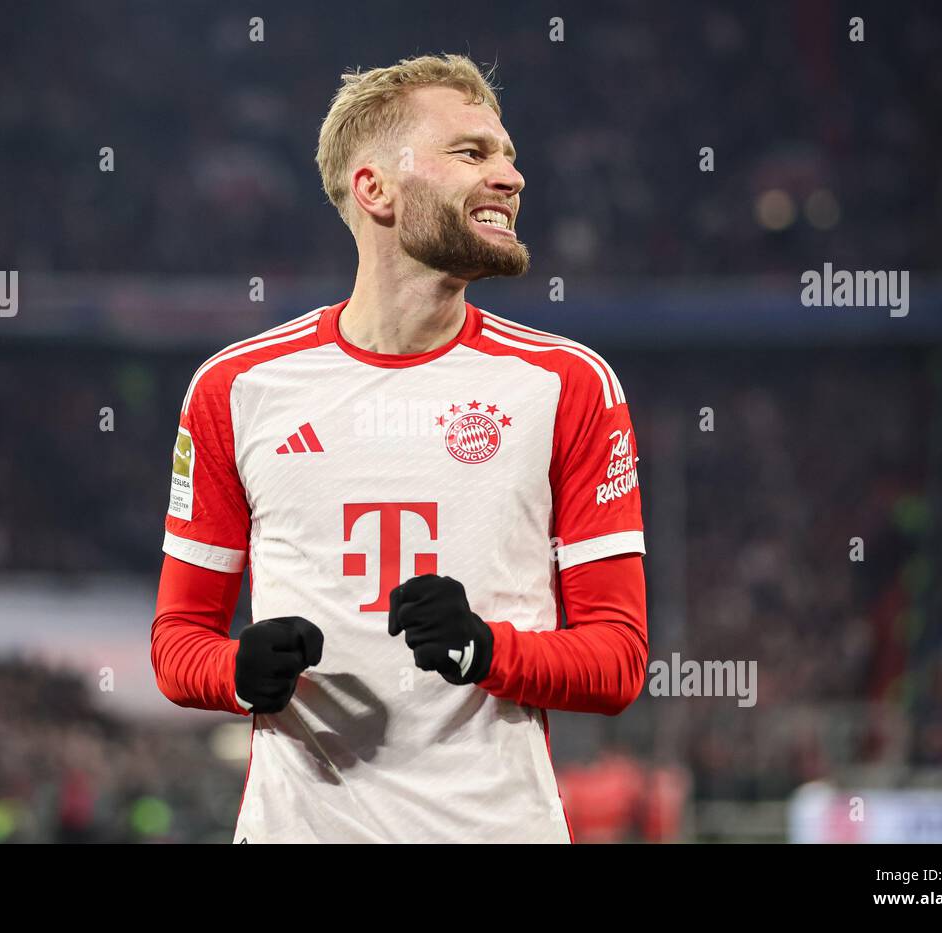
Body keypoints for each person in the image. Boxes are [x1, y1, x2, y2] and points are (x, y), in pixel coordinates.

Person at [151, 53, 648, 843]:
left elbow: (618, 658)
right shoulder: (236, 388)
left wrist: (488, 650)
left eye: (510, 155)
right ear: (374, 188)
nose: (512, 177)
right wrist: (236, 673)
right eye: (472, 152)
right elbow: (177, 644)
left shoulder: (569, 384)